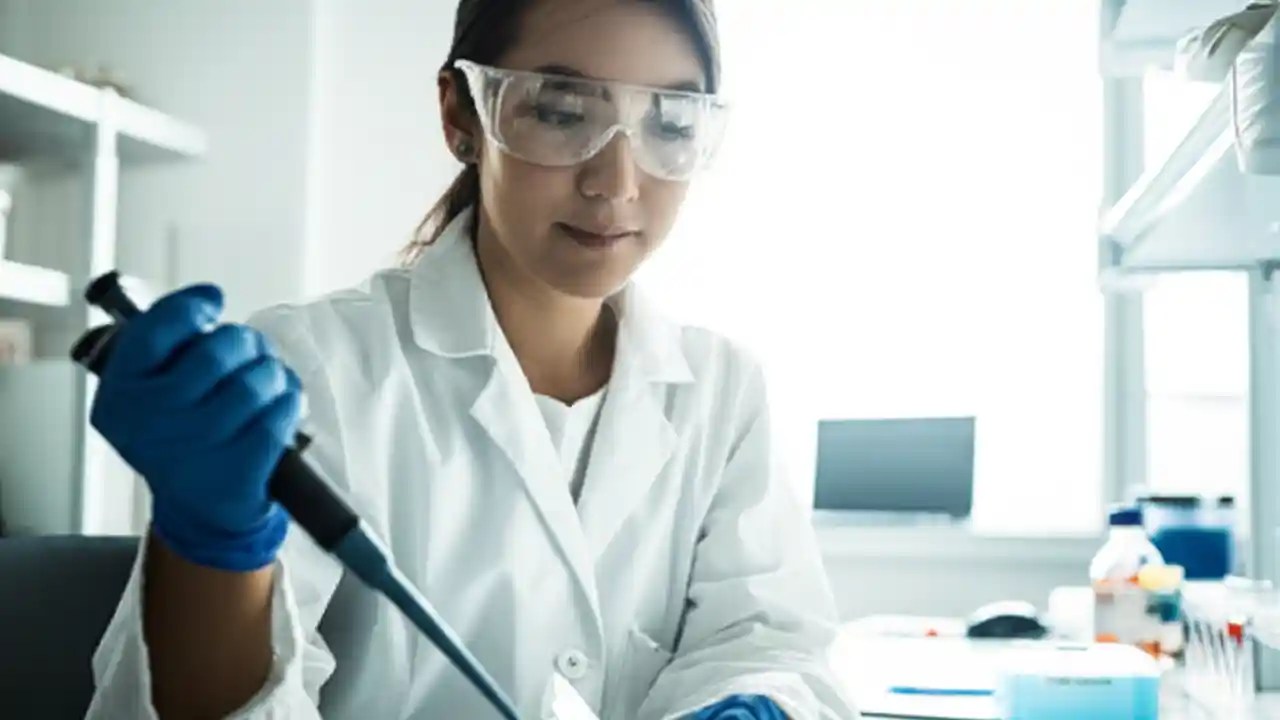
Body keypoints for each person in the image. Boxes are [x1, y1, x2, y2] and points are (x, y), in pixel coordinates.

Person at [86, 0, 856, 718]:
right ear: (461, 115)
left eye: (671, 123)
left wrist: (753, 701)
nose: (617, 183)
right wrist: (211, 548)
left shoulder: (722, 392)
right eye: (562, 113)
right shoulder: (314, 367)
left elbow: (769, 640)